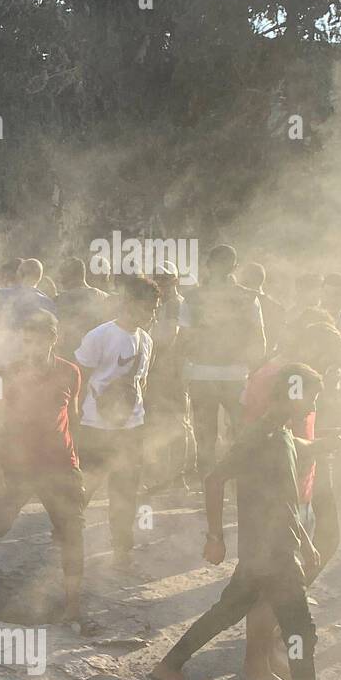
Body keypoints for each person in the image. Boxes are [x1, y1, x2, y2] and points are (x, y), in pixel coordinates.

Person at [150, 363, 341, 680]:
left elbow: (294, 454)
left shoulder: (280, 432)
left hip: (267, 551)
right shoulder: (260, 436)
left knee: (227, 611)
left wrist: (326, 444)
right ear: (291, 393)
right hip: (272, 553)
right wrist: (215, 536)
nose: (312, 407)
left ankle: (169, 666)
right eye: (310, 398)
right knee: (300, 630)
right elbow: (215, 478)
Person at [0, 310, 85, 624]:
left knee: (72, 533)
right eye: (25, 340)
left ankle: (74, 604)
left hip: (61, 466)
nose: (30, 347)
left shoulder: (70, 372)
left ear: (53, 339)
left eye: (37, 339)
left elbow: (73, 418)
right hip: (18, 464)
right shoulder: (6, 374)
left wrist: (78, 467)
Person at [238, 319, 341, 680]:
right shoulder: (275, 378)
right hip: (274, 495)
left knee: (286, 579)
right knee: (275, 581)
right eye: (326, 361)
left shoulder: (298, 377)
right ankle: (256, 666)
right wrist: (319, 447)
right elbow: (263, 438)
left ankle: (267, 651)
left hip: (297, 487)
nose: (327, 373)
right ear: (310, 349)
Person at [74, 273, 160, 569]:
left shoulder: (146, 340)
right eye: (149, 307)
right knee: (85, 487)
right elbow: (80, 377)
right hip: (97, 426)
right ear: (130, 303)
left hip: (130, 427)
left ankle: (122, 550)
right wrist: (77, 417)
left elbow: (142, 382)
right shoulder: (100, 335)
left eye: (155, 308)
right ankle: (66, 534)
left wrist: (137, 416)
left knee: (126, 491)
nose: (152, 314)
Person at [181, 244, 267, 479]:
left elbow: (184, 339)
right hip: (237, 375)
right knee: (240, 430)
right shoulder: (249, 297)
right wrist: (254, 372)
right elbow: (259, 341)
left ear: (207, 265)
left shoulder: (191, 297)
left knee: (205, 435)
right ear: (235, 267)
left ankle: (209, 483)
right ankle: (241, 480)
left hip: (201, 374)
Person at [144, 261, 194, 491]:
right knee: (159, 424)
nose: (160, 284)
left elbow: (170, 337)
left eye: (164, 279)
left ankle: (177, 475)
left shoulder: (176, 304)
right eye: (157, 279)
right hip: (159, 371)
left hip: (173, 372)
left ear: (174, 280)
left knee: (178, 424)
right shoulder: (160, 304)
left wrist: (150, 354)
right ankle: (163, 475)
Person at [53, 256, 111, 361]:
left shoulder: (60, 300)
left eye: (62, 276)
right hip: (99, 358)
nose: (60, 280)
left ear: (68, 276)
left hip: (69, 357)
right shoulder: (105, 298)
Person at [237, 261, 285, 352]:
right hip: (264, 358)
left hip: (244, 357)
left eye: (243, 278)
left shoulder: (242, 302)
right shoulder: (277, 307)